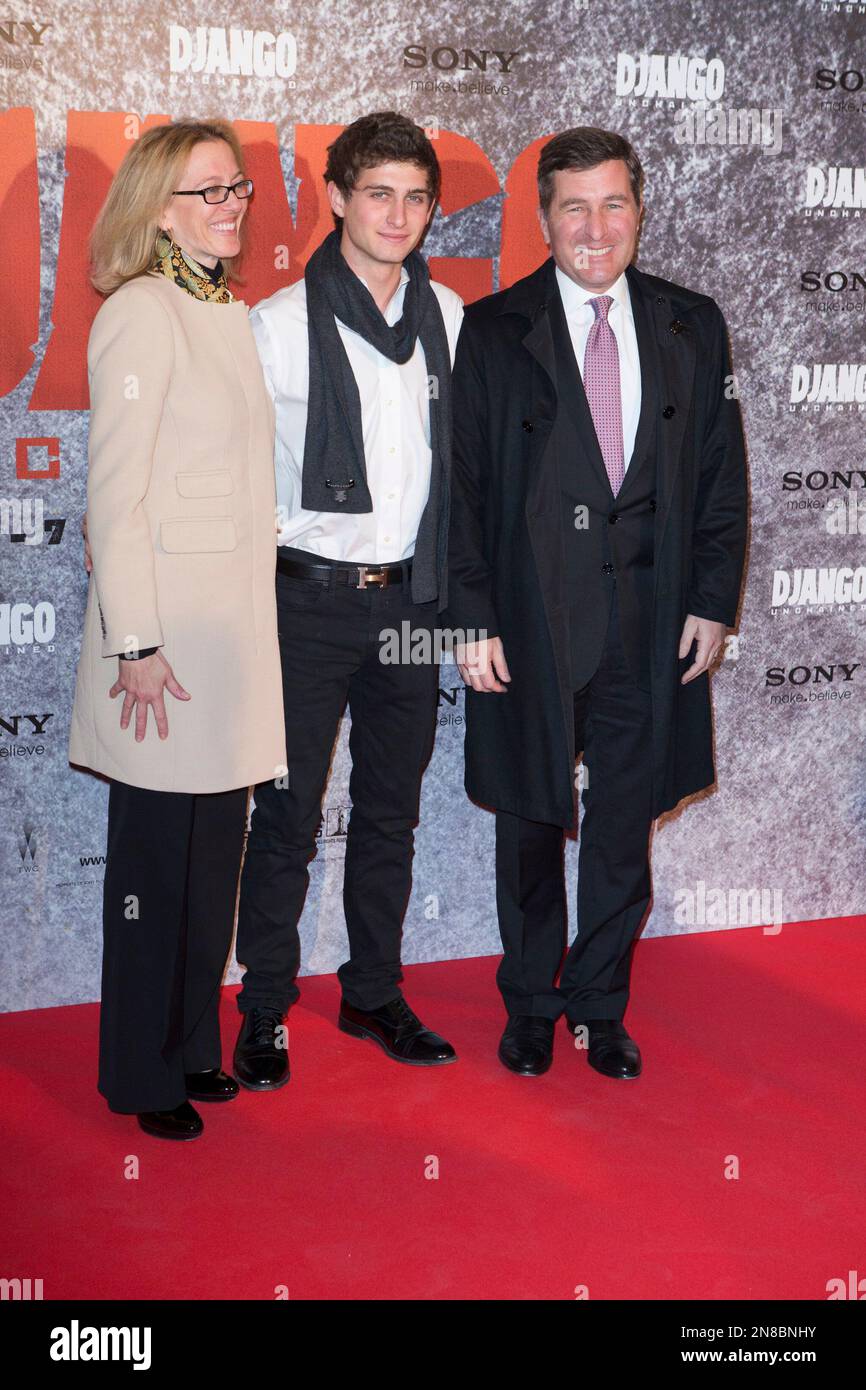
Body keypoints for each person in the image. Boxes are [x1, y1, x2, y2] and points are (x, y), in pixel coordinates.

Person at [447, 127, 747, 1080]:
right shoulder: (493, 331)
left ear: (640, 210)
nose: (594, 226)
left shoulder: (693, 322)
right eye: (573, 206)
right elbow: (459, 489)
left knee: (621, 823)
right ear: (542, 219)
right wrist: (470, 615)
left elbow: (720, 474)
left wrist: (712, 598)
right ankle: (532, 1004)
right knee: (531, 818)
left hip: (652, 623)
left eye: (613, 203)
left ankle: (599, 1007)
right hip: (535, 625)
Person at [232, 112, 463, 1088]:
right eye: (377, 193)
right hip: (305, 604)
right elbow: (239, 488)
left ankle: (372, 989)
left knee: (390, 808)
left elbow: (468, 475)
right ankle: (265, 1007)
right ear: (335, 198)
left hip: (410, 605)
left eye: (415, 196)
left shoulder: (449, 319)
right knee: (286, 814)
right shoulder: (276, 328)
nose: (397, 214)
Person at [69, 119, 286, 1140]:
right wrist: (135, 644)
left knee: (209, 868)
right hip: (159, 649)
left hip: (230, 642)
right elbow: (115, 498)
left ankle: (194, 1046)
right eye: (207, 192)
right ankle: (138, 1073)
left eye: (235, 187)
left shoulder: (226, 311)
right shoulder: (141, 314)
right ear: (158, 209)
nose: (231, 204)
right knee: (153, 877)